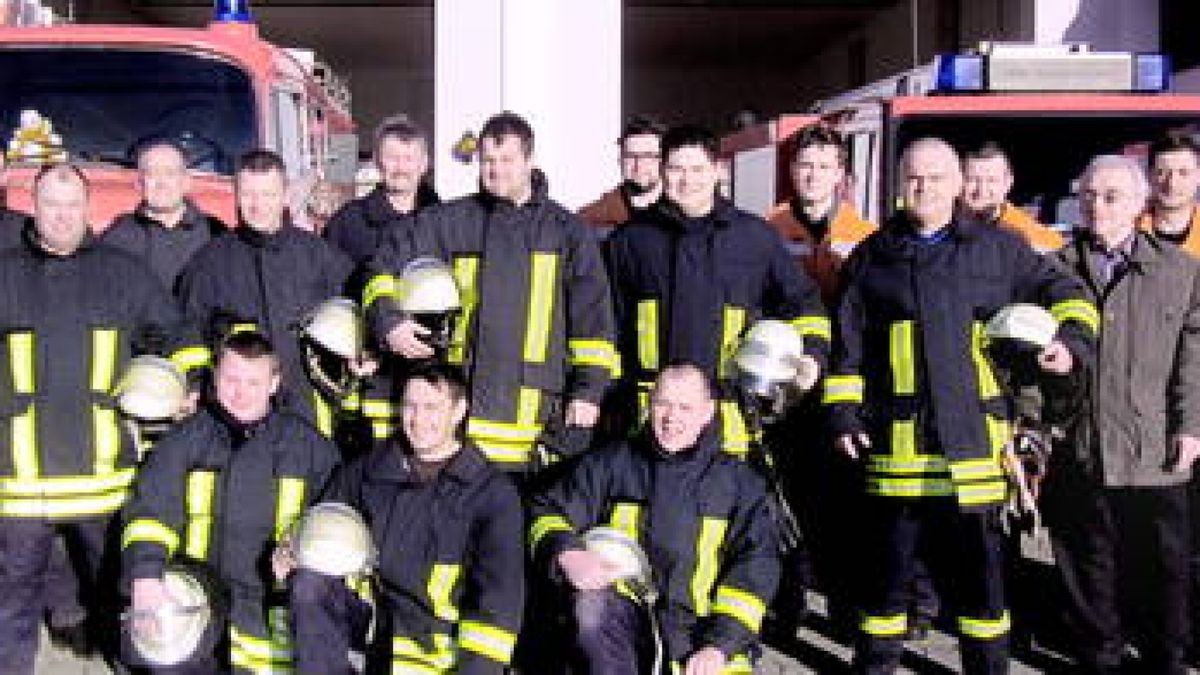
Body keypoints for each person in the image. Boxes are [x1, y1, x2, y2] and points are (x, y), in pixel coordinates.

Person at [826, 137, 1097, 674]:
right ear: (899, 185)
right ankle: (876, 666)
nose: (923, 188)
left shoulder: (1000, 248)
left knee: (982, 588)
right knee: (884, 586)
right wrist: (842, 414)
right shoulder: (871, 257)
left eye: (935, 178)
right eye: (913, 178)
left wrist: (1070, 343)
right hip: (897, 454)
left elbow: (1066, 291)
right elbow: (846, 349)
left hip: (973, 451)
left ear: (958, 184)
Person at [0, 163, 201, 674]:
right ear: (34, 205)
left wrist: (183, 387)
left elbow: (175, 337)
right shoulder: (4, 272)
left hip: (103, 480)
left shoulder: (123, 274)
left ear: (87, 209)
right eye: (51, 204)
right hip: (19, 484)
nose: (62, 216)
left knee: (117, 600)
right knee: (10, 610)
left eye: (71, 205)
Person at [365, 111, 618, 475]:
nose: (496, 170)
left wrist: (588, 390)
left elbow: (593, 322)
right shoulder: (450, 222)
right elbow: (382, 266)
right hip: (459, 411)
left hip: (532, 414)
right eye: (487, 160)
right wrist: (389, 321)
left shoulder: (566, 232)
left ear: (529, 161)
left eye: (507, 160)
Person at [1042, 155, 1200, 674]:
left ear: (1139, 205)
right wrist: (1030, 432)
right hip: (1080, 445)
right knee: (1088, 562)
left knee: (1163, 565)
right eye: (1088, 196)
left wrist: (1190, 425)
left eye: (1111, 197)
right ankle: (1099, 656)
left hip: (1153, 450)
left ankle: (1166, 656)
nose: (1098, 206)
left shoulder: (1180, 274)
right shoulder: (1054, 271)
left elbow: (1193, 361)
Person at [530, 363, 779, 674]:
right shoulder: (611, 464)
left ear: (708, 412)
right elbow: (548, 510)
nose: (671, 418)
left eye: (685, 407)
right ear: (649, 404)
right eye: (663, 404)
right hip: (622, 625)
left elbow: (756, 568)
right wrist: (566, 553)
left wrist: (720, 646)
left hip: (702, 639)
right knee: (590, 608)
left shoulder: (740, 485)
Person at [283, 363, 524, 674]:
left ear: (459, 410)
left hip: (436, 651)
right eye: (410, 405)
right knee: (310, 583)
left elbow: (498, 601)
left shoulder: (492, 494)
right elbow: (319, 532)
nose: (418, 419)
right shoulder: (365, 473)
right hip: (367, 638)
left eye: (431, 407)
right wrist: (290, 554)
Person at [121, 331, 340, 673]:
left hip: (273, 595)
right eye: (231, 379)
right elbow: (150, 511)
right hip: (200, 588)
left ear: (274, 383)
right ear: (214, 378)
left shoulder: (309, 448)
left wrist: (300, 555)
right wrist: (146, 578)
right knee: (149, 649)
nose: (240, 393)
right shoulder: (185, 441)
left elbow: (336, 526)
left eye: (253, 382)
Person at [605, 123, 828, 457]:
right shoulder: (631, 241)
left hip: (729, 423)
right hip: (650, 422)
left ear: (717, 172)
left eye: (697, 169)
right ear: (663, 171)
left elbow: (803, 304)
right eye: (677, 169)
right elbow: (607, 325)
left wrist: (810, 355)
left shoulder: (753, 238)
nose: (687, 180)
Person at [178, 149, 355, 437]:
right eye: (248, 195)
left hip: (307, 406)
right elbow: (188, 332)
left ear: (285, 195)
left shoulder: (320, 257)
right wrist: (195, 384)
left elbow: (354, 317)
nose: (257, 205)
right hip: (236, 412)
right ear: (236, 195)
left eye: (268, 194)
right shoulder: (210, 263)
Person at [764, 124, 876, 306]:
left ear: (839, 174)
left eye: (824, 167)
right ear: (792, 169)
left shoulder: (865, 235)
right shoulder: (769, 230)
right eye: (806, 165)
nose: (813, 176)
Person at [104, 140, 226, 292]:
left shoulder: (215, 232)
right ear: (138, 184)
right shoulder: (118, 237)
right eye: (152, 174)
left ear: (186, 182)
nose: (161, 183)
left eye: (170, 173)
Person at [324, 114, 440, 269]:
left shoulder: (442, 222)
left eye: (409, 159)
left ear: (424, 164)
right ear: (377, 162)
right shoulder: (347, 223)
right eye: (392, 158)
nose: (401, 168)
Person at [958, 143, 1064, 254]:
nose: (982, 190)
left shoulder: (1031, 236)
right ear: (957, 180)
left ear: (1008, 183)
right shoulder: (942, 223)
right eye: (972, 180)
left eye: (992, 180)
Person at [578, 115, 665, 236]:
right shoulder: (593, 218)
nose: (639, 165)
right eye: (630, 156)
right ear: (620, 160)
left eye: (648, 156)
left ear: (664, 160)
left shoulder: (684, 210)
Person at [1141, 132, 1200, 257]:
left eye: (1183, 173)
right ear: (1149, 175)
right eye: (1162, 172)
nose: (1172, 183)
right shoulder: (1128, 229)